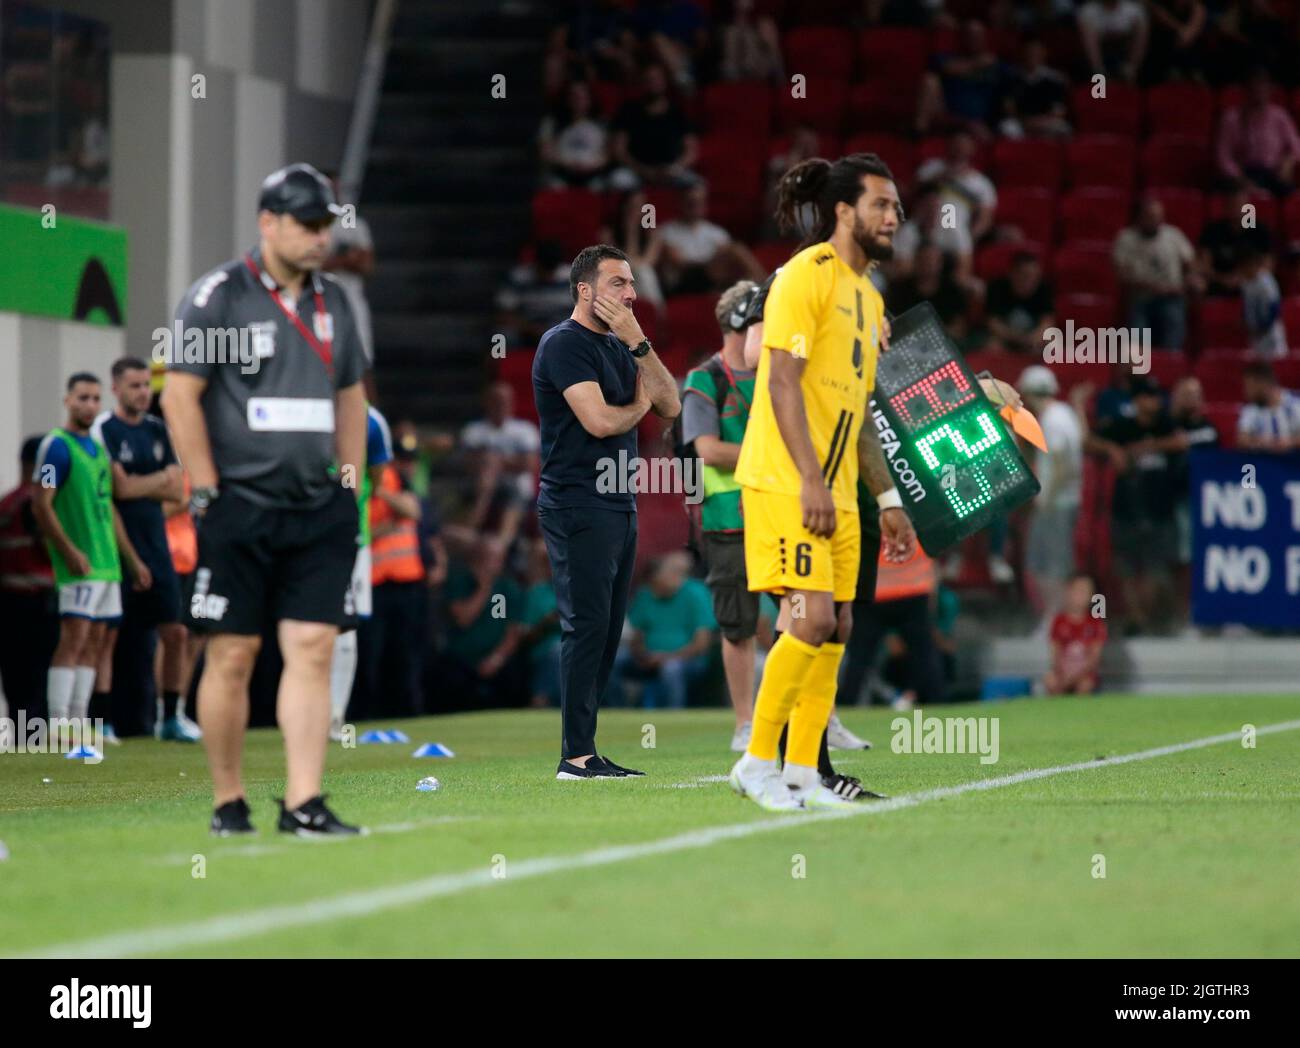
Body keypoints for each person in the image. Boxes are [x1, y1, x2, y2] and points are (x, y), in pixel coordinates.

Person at [161, 162, 368, 837]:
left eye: (325, 225)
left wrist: (349, 487)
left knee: (311, 647)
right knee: (232, 654)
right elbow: (179, 396)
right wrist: (206, 489)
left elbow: (350, 396)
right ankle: (228, 800)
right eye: (307, 225)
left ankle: (304, 802)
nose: (319, 238)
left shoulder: (336, 301)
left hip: (318, 508)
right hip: (240, 504)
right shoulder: (217, 297)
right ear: (269, 222)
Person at [729, 152, 917, 813]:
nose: (893, 217)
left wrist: (887, 499)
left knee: (836, 624)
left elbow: (861, 411)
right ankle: (756, 763)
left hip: (838, 485)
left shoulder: (869, 297)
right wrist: (810, 477)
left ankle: (805, 776)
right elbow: (779, 379)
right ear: (844, 211)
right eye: (880, 205)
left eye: (896, 207)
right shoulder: (805, 275)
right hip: (786, 476)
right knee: (806, 618)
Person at [532, 243, 680, 779]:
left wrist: (639, 343)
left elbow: (672, 404)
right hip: (577, 501)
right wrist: (639, 402)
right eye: (618, 283)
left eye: (632, 283)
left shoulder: (623, 345)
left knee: (608, 627)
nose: (631, 293)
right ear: (585, 290)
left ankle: (587, 749)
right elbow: (599, 421)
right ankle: (575, 756)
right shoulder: (563, 344)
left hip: (619, 501)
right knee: (586, 624)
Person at [32, 373, 150, 739]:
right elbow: (42, 501)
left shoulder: (99, 450)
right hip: (81, 562)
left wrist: (131, 560)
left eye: (95, 398)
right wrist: (67, 549)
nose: (90, 405)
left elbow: (109, 507)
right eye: (82, 397)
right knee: (74, 638)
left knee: (99, 641)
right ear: (67, 400)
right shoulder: (56, 447)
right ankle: (57, 724)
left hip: (107, 563)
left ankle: (80, 721)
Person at [93, 357, 196, 741]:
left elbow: (176, 487)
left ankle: (170, 716)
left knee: (176, 632)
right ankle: (100, 721)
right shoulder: (106, 429)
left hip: (157, 545)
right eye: (134, 385)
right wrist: (151, 483)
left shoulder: (157, 429)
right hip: (117, 546)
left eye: (145, 385)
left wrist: (139, 483)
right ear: (116, 388)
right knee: (107, 637)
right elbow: (118, 491)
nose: (142, 393)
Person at [680, 279, 760, 749]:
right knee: (738, 623)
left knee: (807, 609)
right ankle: (745, 724)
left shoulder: (779, 371)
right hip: (728, 518)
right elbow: (706, 450)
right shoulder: (705, 379)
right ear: (739, 323)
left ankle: (821, 718)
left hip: (782, 511)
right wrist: (772, 453)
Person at [1085, 377, 1181, 633]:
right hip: (1126, 508)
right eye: (1147, 398)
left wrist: (1150, 445)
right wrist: (1112, 449)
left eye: (1156, 397)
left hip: (1160, 510)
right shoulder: (1122, 427)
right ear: (1137, 401)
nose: (1153, 403)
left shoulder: (1165, 425)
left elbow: (1183, 441)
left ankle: (1147, 619)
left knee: (1154, 568)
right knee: (1125, 569)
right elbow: (1089, 441)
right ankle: (1136, 618)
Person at [328, 403, 396, 740]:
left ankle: (335, 717)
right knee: (305, 623)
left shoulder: (371, 421)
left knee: (345, 627)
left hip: (352, 538)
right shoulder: (305, 405)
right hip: (301, 532)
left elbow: (376, 479)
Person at [361, 458, 427, 719]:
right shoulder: (352, 475)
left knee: (407, 653)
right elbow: (360, 531)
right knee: (371, 653)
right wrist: (390, 524)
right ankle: (368, 715)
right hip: (373, 584)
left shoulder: (394, 476)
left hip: (407, 581)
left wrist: (381, 491)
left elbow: (412, 510)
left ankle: (410, 713)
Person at [1017, 366, 1083, 619]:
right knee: (1051, 562)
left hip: (1056, 504)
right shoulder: (1063, 413)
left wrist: (1045, 500)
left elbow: (1059, 464)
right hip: (1063, 501)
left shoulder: (1052, 420)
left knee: (1049, 565)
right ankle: (1056, 619)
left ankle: (1055, 619)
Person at [0, 437, 58, 721]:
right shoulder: (37, 505)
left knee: (16, 680)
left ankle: (23, 739)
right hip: (37, 603)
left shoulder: (6, 504)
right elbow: (48, 548)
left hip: (9, 602)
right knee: (39, 679)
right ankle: (37, 741)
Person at [620, 551, 715, 709]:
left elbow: (701, 644)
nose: (654, 589)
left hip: (686, 660)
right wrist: (642, 656)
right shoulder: (646, 594)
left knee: (671, 669)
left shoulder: (696, 594)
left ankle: (673, 714)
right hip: (648, 658)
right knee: (613, 661)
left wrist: (665, 657)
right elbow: (636, 636)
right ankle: (617, 711)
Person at [1112, 195, 1201, 351]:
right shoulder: (1126, 239)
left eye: (1158, 216)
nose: (1155, 220)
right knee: (1137, 332)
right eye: (1151, 216)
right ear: (1139, 217)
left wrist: (1189, 280)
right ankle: (1137, 369)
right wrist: (1152, 287)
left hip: (1172, 297)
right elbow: (1122, 275)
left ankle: (1170, 365)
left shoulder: (1173, 235)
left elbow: (1191, 263)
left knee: (1173, 319)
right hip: (1141, 297)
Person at [458, 383, 541, 548]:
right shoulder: (474, 430)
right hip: (481, 487)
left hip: (516, 488)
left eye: (505, 400)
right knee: (485, 479)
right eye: (496, 400)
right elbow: (467, 463)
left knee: (494, 470)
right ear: (487, 402)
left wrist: (496, 461)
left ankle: (501, 545)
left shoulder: (524, 430)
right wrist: (500, 462)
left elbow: (530, 464)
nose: (501, 404)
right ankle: (470, 538)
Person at [648, 181, 766, 294]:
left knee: (737, 249)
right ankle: (761, 285)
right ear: (680, 202)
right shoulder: (666, 231)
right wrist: (713, 262)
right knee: (734, 252)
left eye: (699, 202)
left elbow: (726, 259)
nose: (695, 207)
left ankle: (761, 283)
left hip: (713, 277)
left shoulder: (716, 232)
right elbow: (678, 261)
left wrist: (716, 263)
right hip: (684, 279)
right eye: (691, 203)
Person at [608, 63, 698, 191]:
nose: (653, 83)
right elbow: (619, 150)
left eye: (657, 79)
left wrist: (675, 169)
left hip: (672, 171)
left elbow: (691, 150)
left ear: (664, 82)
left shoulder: (678, 112)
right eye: (649, 80)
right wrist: (643, 170)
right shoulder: (628, 111)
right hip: (637, 171)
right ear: (642, 83)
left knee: (697, 184)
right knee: (618, 180)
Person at [1215, 68, 1300, 198]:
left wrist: (1288, 162)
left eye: (1263, 86)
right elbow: (1224, 157)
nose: (1259, 91)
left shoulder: (1280, 116)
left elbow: (1296, 147)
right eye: (1255, 86)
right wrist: (1240, 179)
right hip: (1244, 175)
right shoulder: (1231, 119)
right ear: (1246, 90)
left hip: (1273, 175)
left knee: (1293, 198)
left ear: (1270, 89)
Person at [1043, 573, 1107, 695]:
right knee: (1050, 680)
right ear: (1068, 592)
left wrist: (1074, 677)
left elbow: (1095, 658)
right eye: (1078, 591)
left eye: (1086, 592)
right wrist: (1062, 674)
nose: (1081, 596)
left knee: (1085, 685)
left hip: (1084, 675)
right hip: (1063, 672)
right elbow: (1055, 653)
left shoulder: (1096, 623)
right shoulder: (1059, 621)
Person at [985, 251, 1055, 354]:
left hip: (1032, 339)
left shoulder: (1043, 288)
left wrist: (1033, 338)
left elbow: (1047, 322)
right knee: (992, 345)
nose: (1031, 281)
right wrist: (1017, 338)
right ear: (1012, 273)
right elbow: (993, 323)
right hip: (1006, 337)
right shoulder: (997, 288)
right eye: (1026, 276)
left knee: (1052, 342)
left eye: (1035, 276)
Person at [1077, 0, 1149, 83]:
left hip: (1126, 55)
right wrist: (1098, 70)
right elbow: (1090, 45)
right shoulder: (1088, 11)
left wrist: (1132, 66)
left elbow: (1140, 42)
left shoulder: (1135, 10)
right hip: (1099, 57)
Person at [1238, 361, 1300, 452]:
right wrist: (1259, 442)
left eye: (1249, 387)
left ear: (1262, 384)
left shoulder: (1295, 404)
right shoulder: (1250, 410)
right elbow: (1241, 439)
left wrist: (1291, 442)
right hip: (1264, 462)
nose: (1246, 392)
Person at [1239, 246, 1288, 359]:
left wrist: (1263, 328)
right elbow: (1247, 304)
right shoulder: (1245, 282)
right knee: (1258, 366)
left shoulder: (1267, 282)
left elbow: (1275, 308)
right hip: (1255, 334)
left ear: (1255, 264)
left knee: (1276, 365)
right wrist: (1243, 318)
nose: (1246, 269)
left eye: (1249, 265)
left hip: (1270, 334)